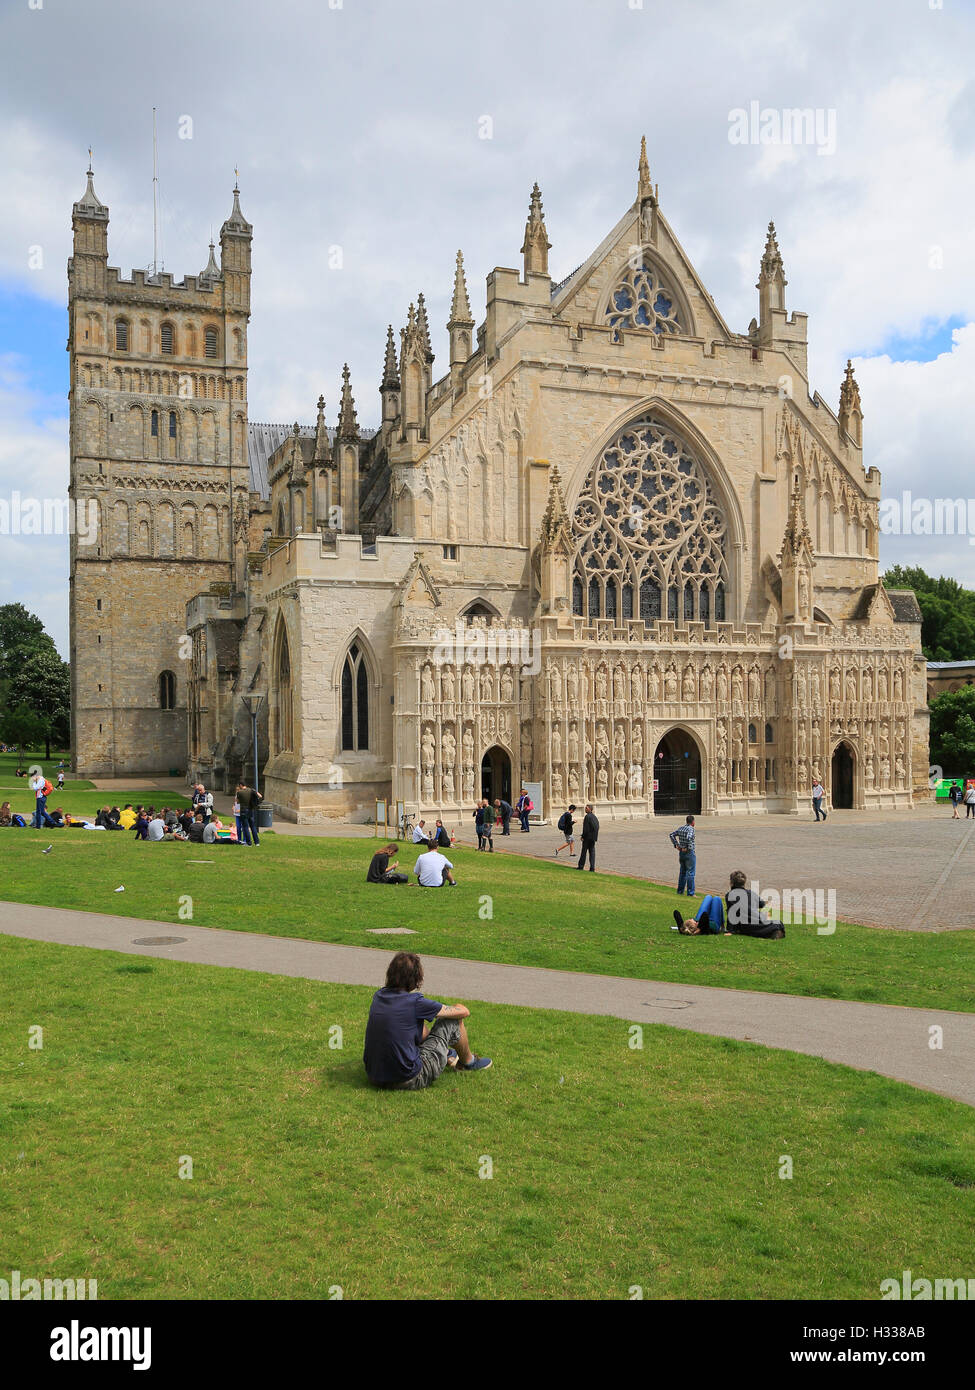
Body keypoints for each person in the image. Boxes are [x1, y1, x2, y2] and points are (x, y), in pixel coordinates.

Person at [363, 952, 492, 1090]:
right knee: (452, 1021)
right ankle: (468, 1062)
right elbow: (464, 1012)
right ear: (416, 978)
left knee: (412, 1024)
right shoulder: (415, 1002)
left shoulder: (379, 996)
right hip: (408, 1079)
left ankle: (447, 1055)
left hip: (375, 1077)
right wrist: (458, 1007)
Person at [725, 869, 785, 939]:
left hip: (744, 926)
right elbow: (762, 904)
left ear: (731, 883)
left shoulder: (729, 895)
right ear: (744, 883)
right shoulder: (752, 893)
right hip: (755, 921)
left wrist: (730, 930)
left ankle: (772, 931)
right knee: (777, 922)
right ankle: (774, 931)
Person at [669, 815, 696, 896]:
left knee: (682, 872)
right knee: (690, 873)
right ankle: (690, 893)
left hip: (681, 853)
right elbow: (689, 837)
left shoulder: (681, 828)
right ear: (693, 822)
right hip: (689, 852)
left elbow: (671, 835)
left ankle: (680, 891)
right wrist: (686, 847)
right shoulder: (691, 829)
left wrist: (677, 845)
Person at [577, 804, 599, 871]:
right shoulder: (594, 817)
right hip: (593, 837)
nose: (585, 809)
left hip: (587, 838)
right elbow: (597, 827)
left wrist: (583, 836)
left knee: (584, 852)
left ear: (590, 809)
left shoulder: (587, 817)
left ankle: (581, 866)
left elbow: (585, 829)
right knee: (592, 852)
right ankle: (592, 867)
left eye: (586, 808)